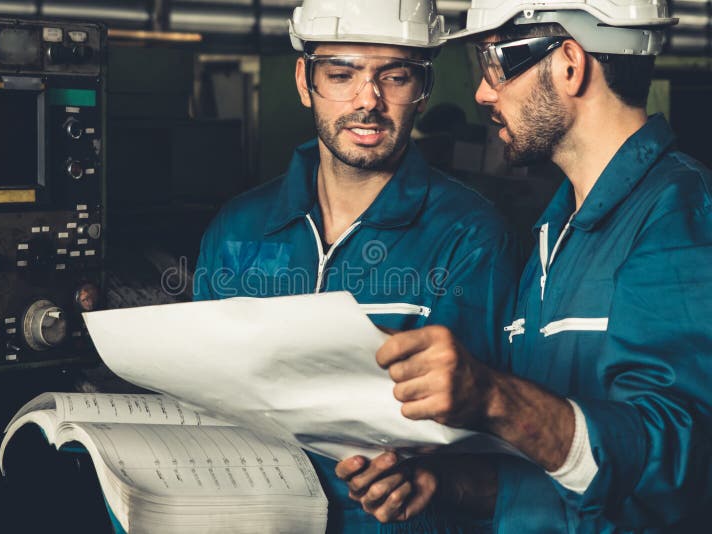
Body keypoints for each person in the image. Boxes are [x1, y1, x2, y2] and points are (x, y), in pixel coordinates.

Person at [336, 0, 712, 531]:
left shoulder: (681, 214)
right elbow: (562, 483)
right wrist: (447, 485)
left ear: (569, 64)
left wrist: (496, 398)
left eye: (493, 63)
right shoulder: (552, 233)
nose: (482, 92)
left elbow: (684, 467)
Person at [193, 0, 519, 531]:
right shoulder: (239, 230)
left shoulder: (470, 236)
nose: (368, 101)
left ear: (424, 88)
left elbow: (487, 435)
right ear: (305, 81)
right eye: (341, 74)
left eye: (394, 76)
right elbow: (203, 397)